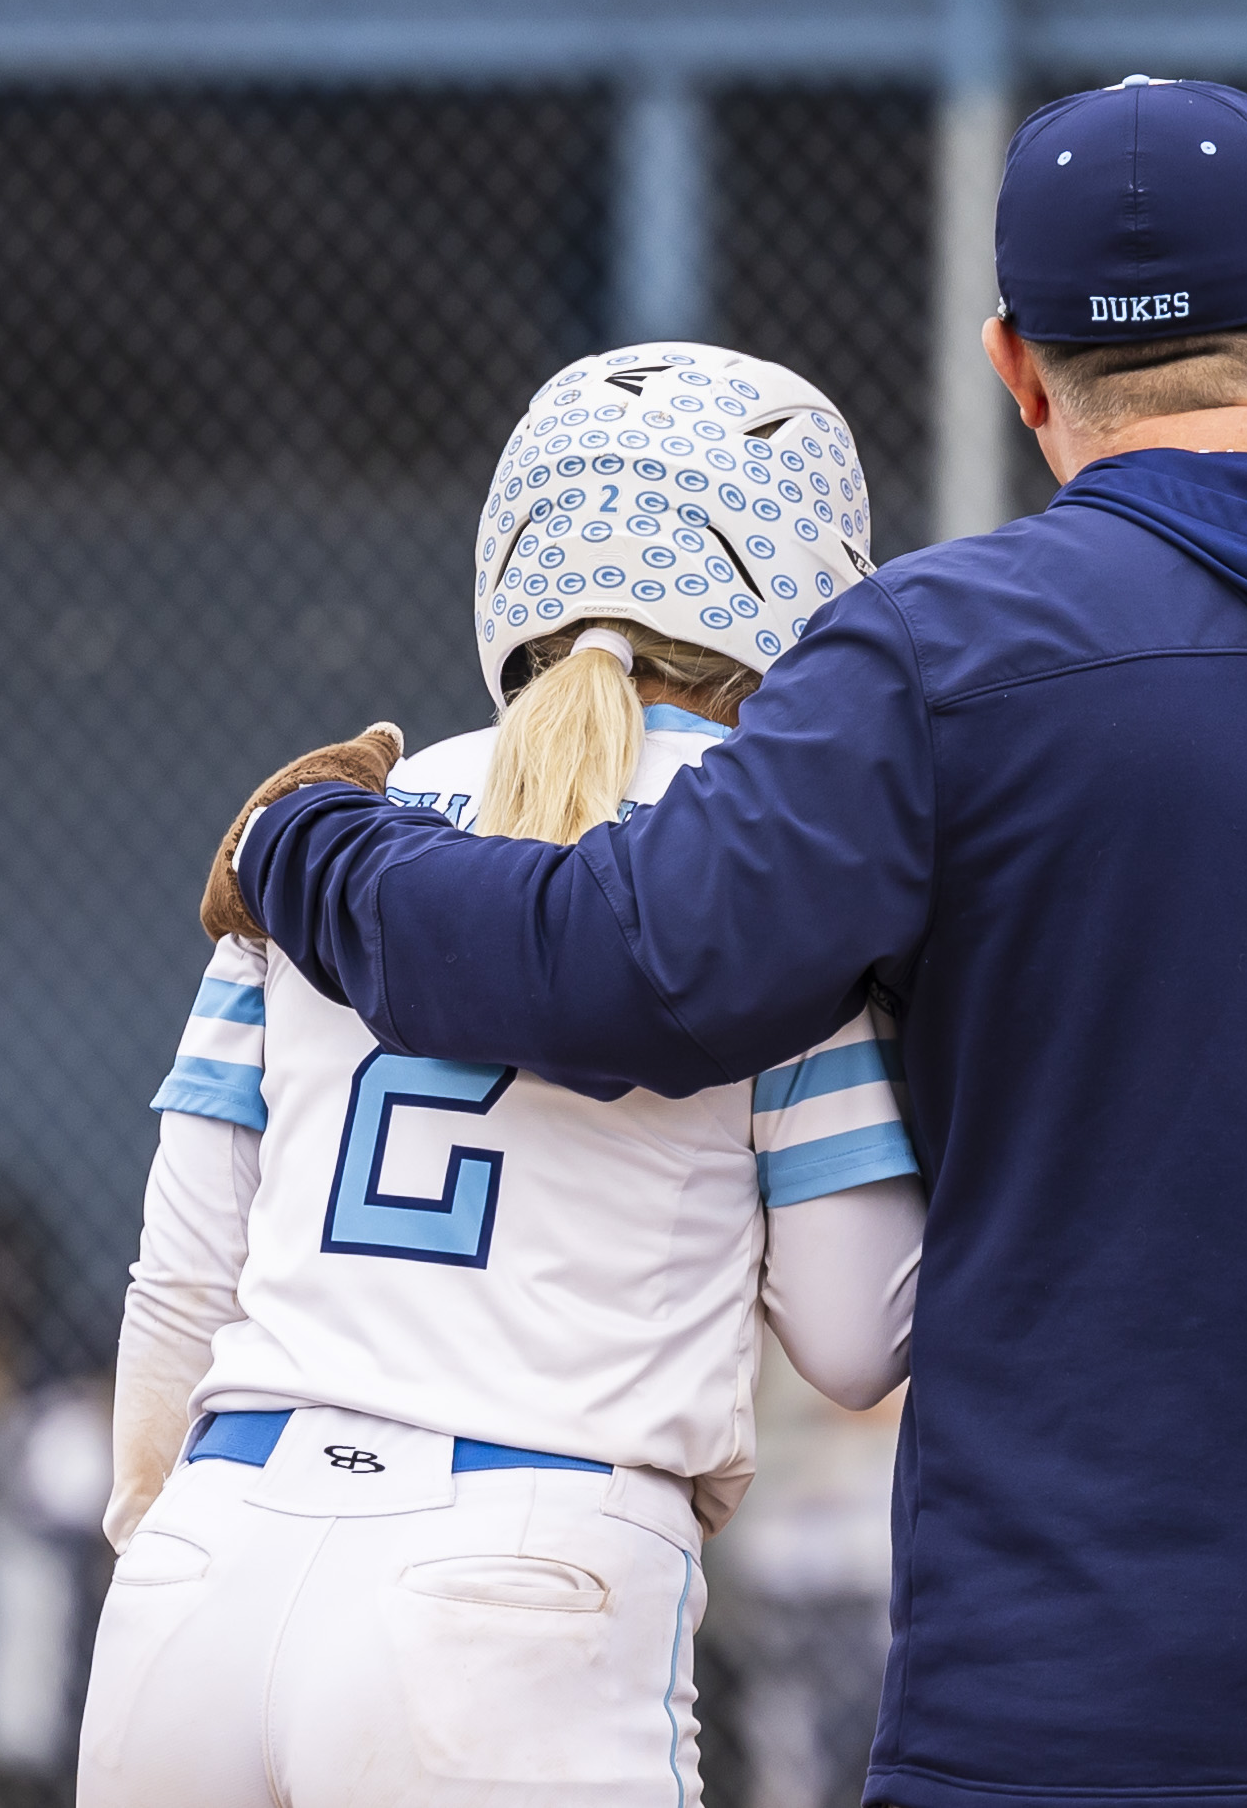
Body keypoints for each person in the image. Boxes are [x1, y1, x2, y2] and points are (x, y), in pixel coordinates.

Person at [211, 79, 1247, 1808]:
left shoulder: (936, 660)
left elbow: (613, 959)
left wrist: (307, 843)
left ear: (1015, 370)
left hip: (1092, 1723)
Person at [79, 345, 929, 1808]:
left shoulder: (321, 814)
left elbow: (179, 1283)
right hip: (526, 1572)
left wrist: (165, 1551)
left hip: (203, 1571)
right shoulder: (765, 871)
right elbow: (853, 1334)